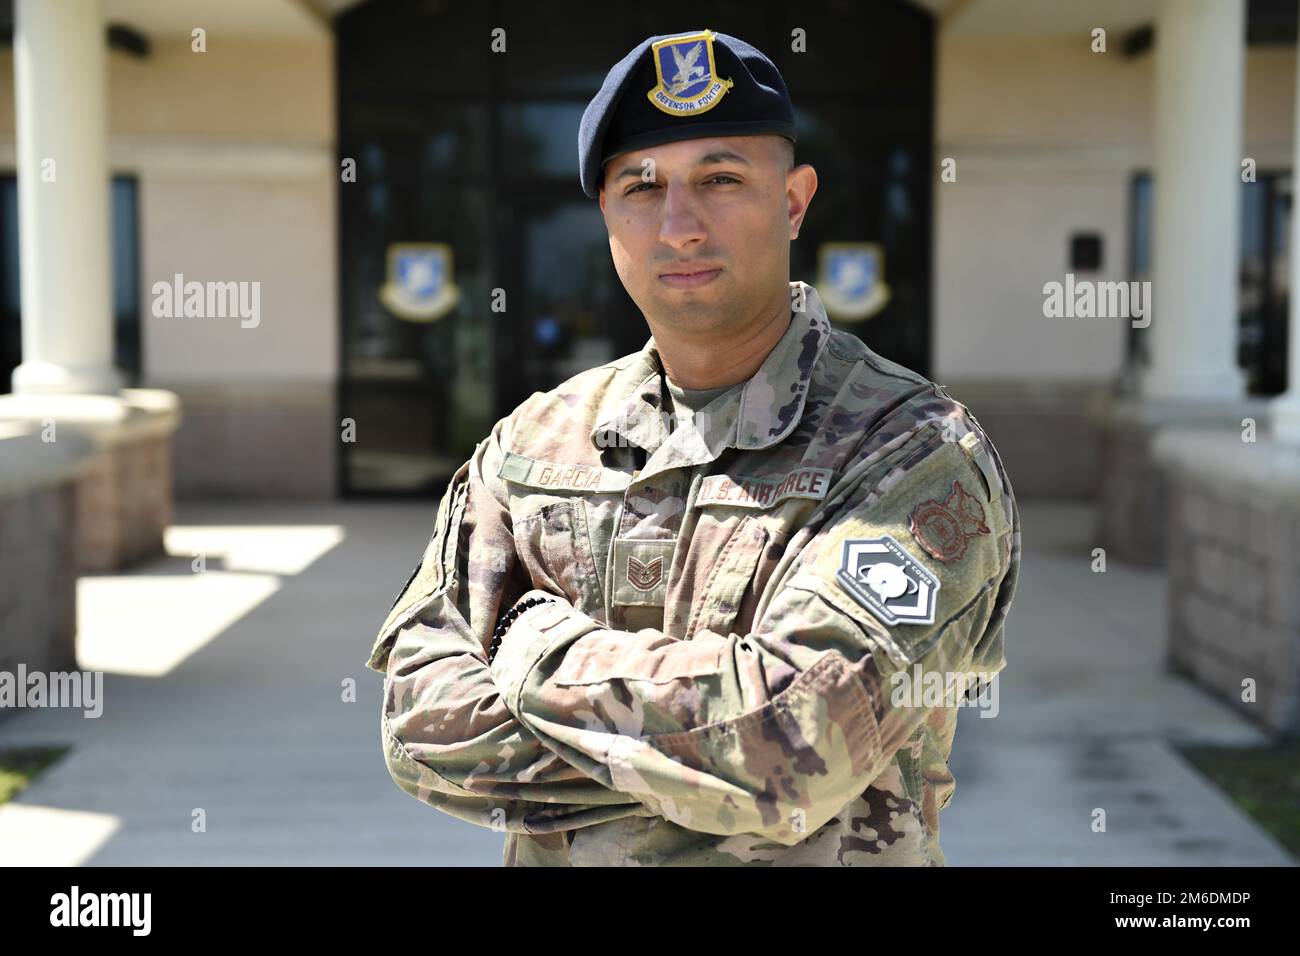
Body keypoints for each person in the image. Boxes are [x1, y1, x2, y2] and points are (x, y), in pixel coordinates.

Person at [365, 28, 1020, 866]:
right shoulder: (533, 442)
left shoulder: (912, 452)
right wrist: (705, 752)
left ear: (792, 200)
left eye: (719, 179)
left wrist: (527, 642)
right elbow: (421, 729)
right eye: (641, 185)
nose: (678, 226)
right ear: (606, 212)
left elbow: (794, 747)